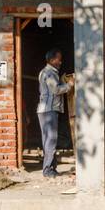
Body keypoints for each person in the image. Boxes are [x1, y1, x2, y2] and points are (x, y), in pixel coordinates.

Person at [36, 49, 72, 178]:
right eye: (58, 59)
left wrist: (62, 81)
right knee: (51, 140)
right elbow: (56, 90)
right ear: (51, 60)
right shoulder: (49, 73)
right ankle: (48, 169)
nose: (60, 61)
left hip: (45, 110)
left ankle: (50, 167)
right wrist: (69, 85)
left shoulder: (49, 72)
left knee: (47, 140)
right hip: (49, 110)